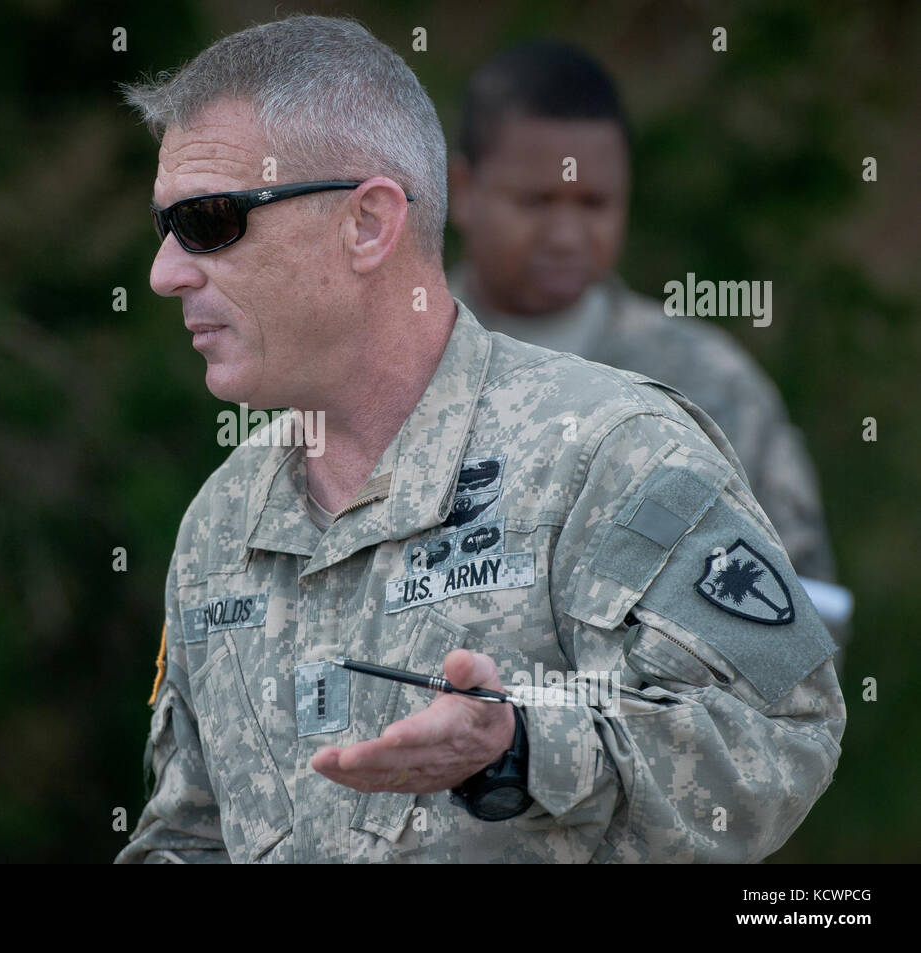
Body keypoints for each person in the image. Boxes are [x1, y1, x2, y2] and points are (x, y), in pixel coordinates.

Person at [115, 15, 843, 864]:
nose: (166, 272)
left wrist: (523, 747)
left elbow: (781, 733)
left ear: (368, 225)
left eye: (206, 221)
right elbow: (189, 834)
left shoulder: (610, 452)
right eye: (165, 227)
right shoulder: (221, 522)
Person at [446, 41, 852, 660]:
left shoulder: (705, 384)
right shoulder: (391, 364)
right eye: (536, 202)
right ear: (463, 190)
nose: (565, 236)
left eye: (594, 204)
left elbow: (799, 625)